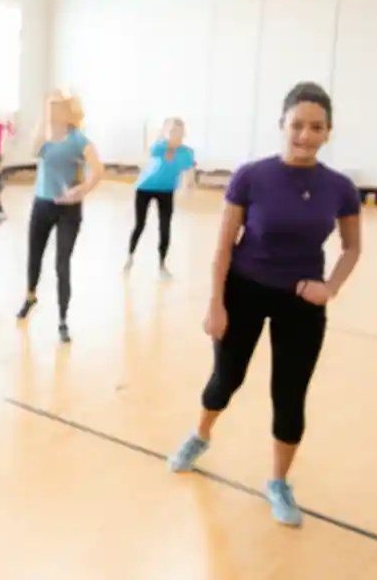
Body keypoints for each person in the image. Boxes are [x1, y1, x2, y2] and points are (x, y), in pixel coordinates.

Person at [166, 82, 362, 528]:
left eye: (316, 127)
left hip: (302, 302)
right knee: (226, 379)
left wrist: (329, 288)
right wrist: (215, 304)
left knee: (290, 396)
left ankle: (278, 482)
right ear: (281, 126)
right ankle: (200, 435)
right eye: (297, 125)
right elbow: (223, 247)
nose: (305, 135)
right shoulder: (251, 176)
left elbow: (352, 248)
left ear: (328, 132)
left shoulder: (340, 188)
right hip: (245, 290)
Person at [15, 92, 103, 343]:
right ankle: (30, 296)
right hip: (42, 204)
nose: (51, 112)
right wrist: (43, 121)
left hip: (69, 210)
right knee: (35, 257)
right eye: (48, 108)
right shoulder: (43, 137)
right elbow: (34, 150)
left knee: (62, 264)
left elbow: (98, 169)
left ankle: (63, 318)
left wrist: (82, 190)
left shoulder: (78, 140)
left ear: (67, 112)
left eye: (55, 108)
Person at [125, 117, 196, 278]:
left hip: (166, 191)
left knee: (165, 226)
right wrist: (161, 135)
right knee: (140, 225)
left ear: (183, 133)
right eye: (171, 131)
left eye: (178, 131)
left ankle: (162, 264)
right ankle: (130, 256)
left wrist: (189, 187)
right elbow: (150, 150)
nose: (174, 135)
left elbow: (189, 174)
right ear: (166, 132)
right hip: (145, 189)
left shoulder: (186, 153)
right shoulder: (159, 147)